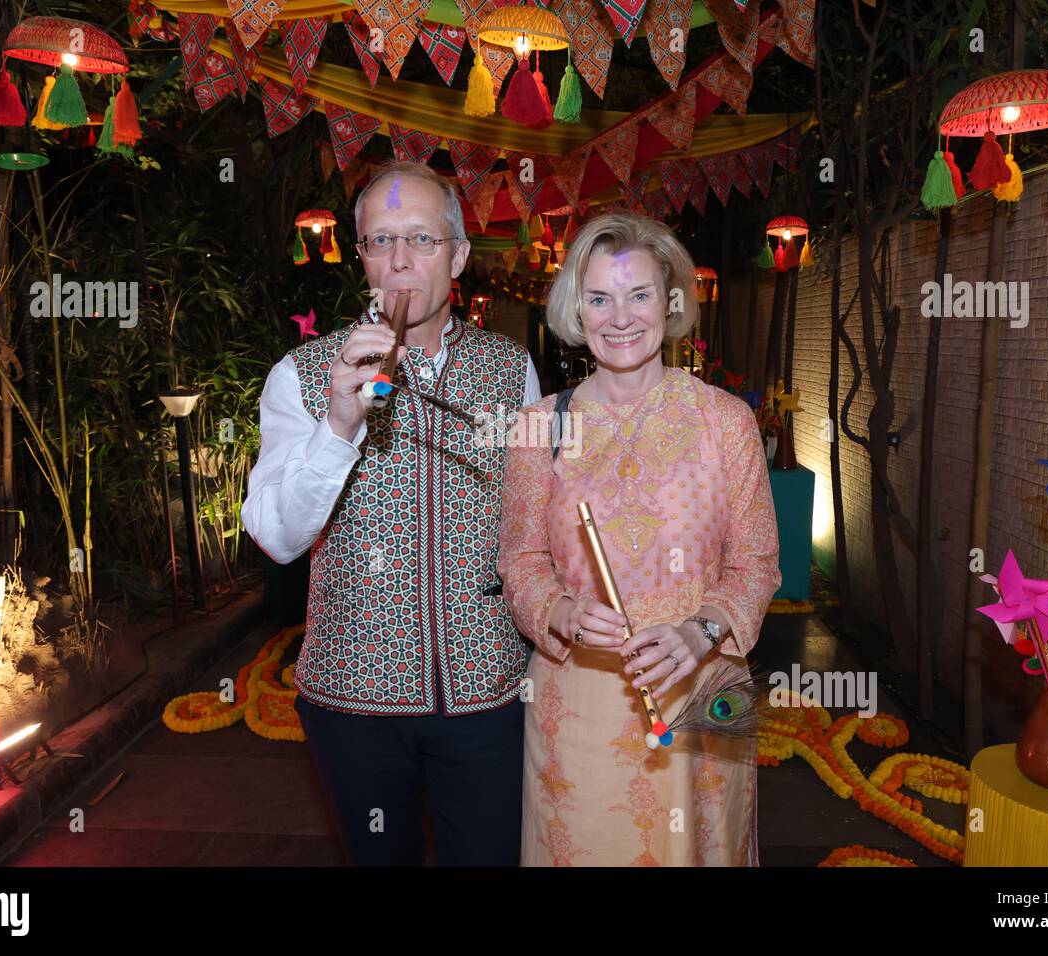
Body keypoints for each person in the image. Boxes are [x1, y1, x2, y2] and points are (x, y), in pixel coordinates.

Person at [240, 160, 542, 866]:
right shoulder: (304, 374)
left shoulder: (510, 368)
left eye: (422, 240)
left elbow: (535, 520)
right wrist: (339, 422)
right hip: (354, 704)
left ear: (460, 255)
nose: (400, 260)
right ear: (361, 256)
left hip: (488, 696)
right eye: (379, 241)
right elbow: (276, 536)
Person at [497, 210, 781, 866]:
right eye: (599, 298)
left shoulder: (724, 422)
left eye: (640, 295)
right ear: (577, 309)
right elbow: (521, 558)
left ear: (671, 301)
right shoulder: (541, 426)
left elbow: (757, 562)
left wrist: (700, 631)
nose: (619, 317)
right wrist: (560, 610)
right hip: (581, 704)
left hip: (703, 692)